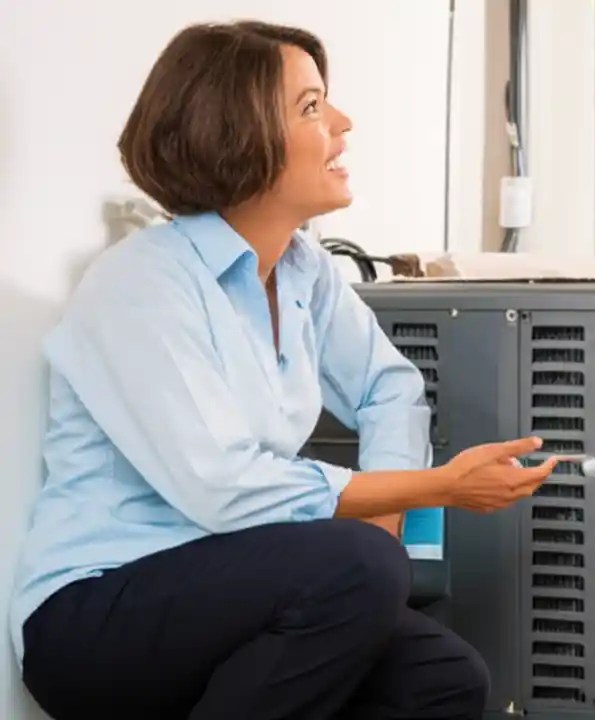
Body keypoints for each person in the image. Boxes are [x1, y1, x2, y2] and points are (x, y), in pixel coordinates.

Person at [9, 21, 558, 720]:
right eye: (311, 107)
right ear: (238, 135)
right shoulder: (143, 281)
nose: (343, 124)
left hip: (234, 595)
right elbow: (222, 487)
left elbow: (388, 388)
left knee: (443, 676)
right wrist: (435, 488)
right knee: (360, 569)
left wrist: (381, 524)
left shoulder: (304, 270)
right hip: (98, 616)